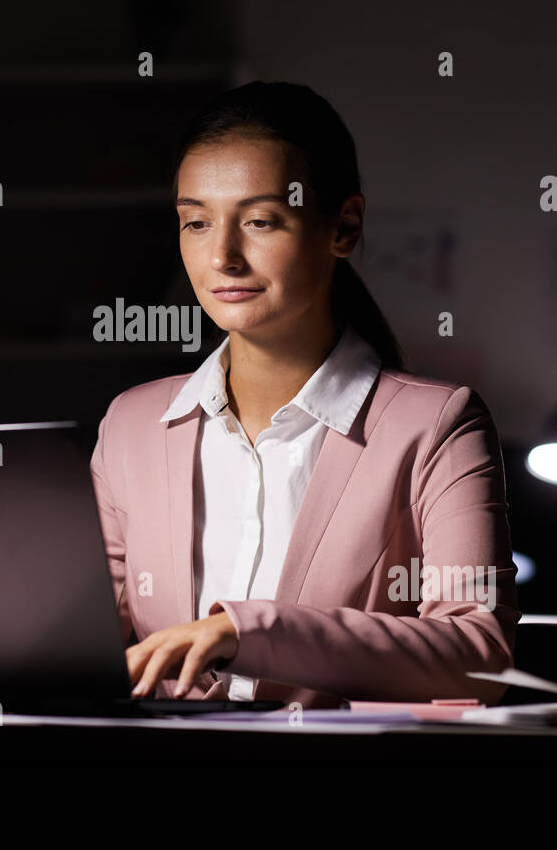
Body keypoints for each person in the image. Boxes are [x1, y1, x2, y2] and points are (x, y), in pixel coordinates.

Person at [89, 80, 518, 708]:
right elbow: (74, 649)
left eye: (260, 221)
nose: (222, 257)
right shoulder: (132, 424)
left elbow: (478, 653)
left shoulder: (438, 425)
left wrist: (247, 633)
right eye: (197, 222)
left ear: (343, 226)